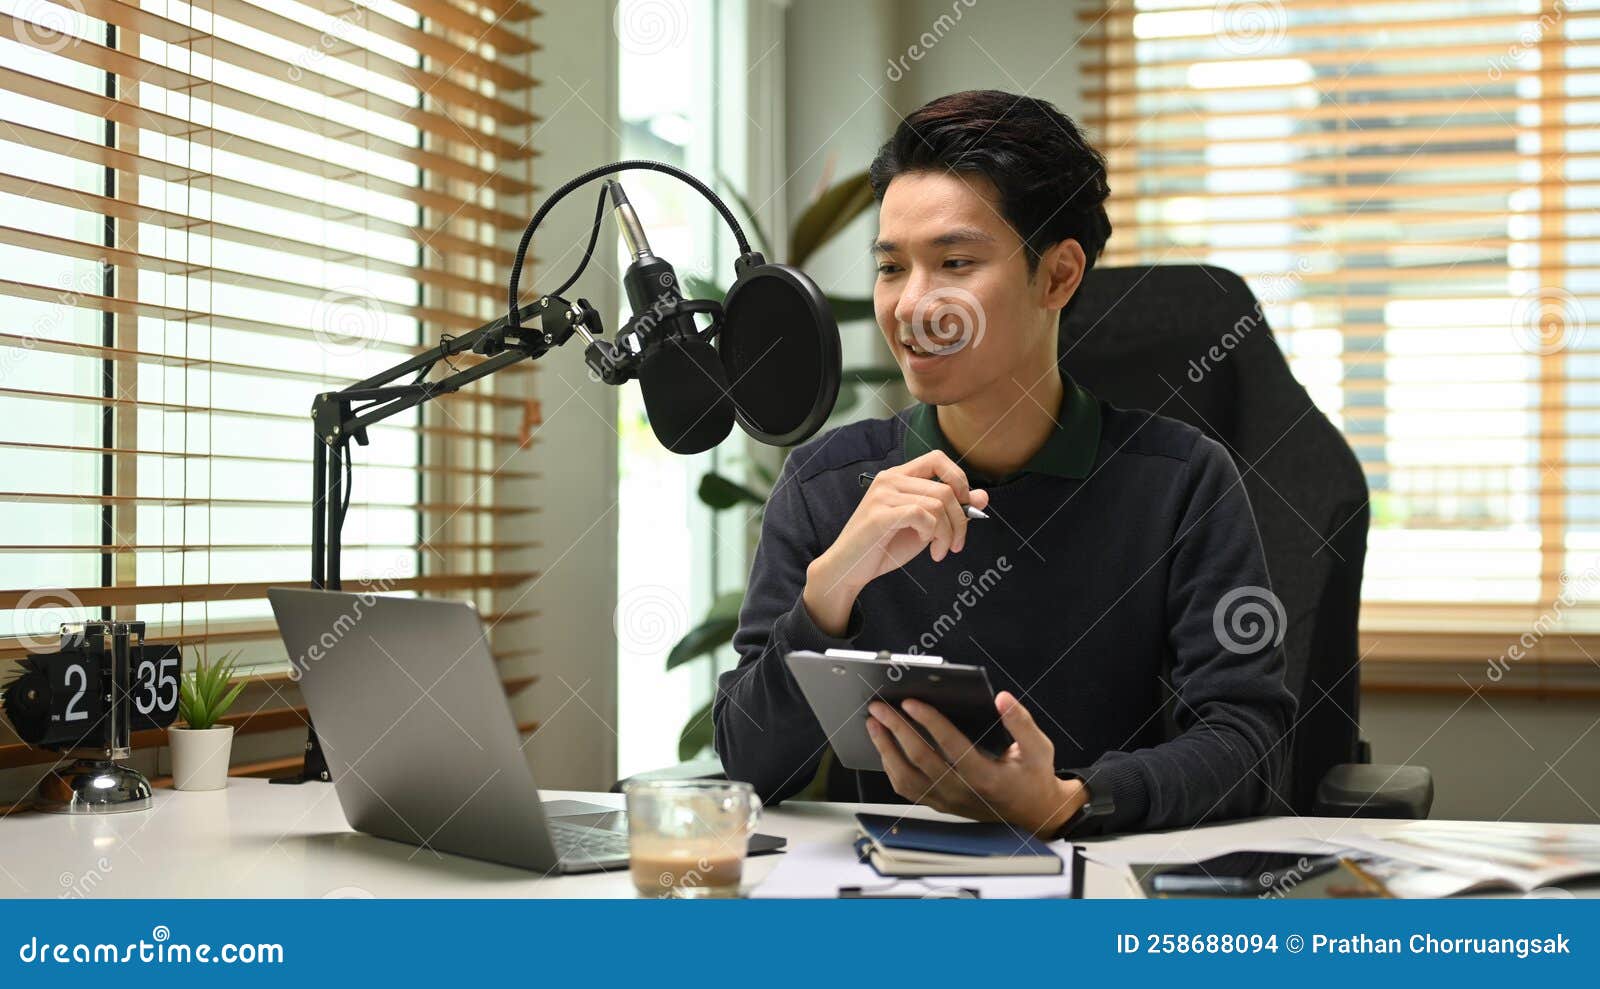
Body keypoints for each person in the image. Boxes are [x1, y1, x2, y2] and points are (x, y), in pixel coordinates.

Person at [712, 89, 1296, 839]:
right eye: (892, 268)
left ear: (1056, 277)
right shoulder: (826, 485)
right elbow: (749, 769)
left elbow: (1250, 743)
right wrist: (827, 594)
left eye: (955, 261)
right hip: (890, 903)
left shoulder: (1182, 483)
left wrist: (1067, 801)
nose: (914, 304)